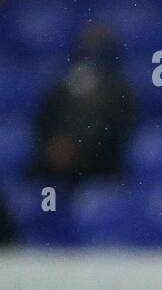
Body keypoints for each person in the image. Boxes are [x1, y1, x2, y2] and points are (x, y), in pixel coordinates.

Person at [28, 21, 136, 188]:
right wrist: (56, 145)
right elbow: (43, 119)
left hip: (98, 167)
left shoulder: (119, 90)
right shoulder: (61, 85)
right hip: (53, 165)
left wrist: (78, 146)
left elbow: (119, 129)